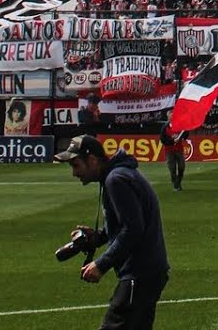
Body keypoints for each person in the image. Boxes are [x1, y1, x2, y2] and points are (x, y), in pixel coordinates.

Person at [54, 134, 169, 330]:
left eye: (76, 165)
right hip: (147, 272)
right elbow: (124, 223)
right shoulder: (119, 175)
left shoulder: (116, 180)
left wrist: (101, 264)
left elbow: (133, 229)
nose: (74, 173)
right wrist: (97, 237)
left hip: (139, 273)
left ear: (91, 160)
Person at [159, 125, 189, 191]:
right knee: (172, 168)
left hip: (179, 150)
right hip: (169, 151)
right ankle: (176, 185)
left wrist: (186, 130)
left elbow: (185, 136)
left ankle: (178, 182)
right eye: (170, 114)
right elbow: (162, 140)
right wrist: (172, 141)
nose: (172, 116)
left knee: (182, 167)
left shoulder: (180, 126)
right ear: (168, 116)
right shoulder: (165, 127)